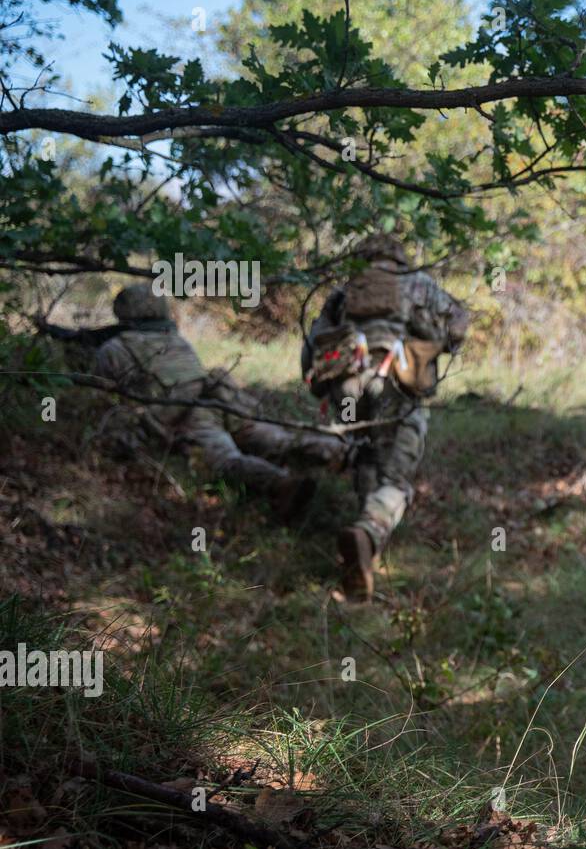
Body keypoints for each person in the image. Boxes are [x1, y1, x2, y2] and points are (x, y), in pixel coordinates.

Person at [42, 284, 340, 521]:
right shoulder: (176, 340)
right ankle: (340, 452)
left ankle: (282, 484)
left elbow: (100, 395)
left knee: (225, 459)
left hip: (187, 417)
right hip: (220, 403)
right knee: (275, 438)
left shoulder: (115, 348)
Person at [302, 234, 469, 602]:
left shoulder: (345, 291)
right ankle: (369, 531)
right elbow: (458, 326)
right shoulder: (421, 284)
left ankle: (362, 557)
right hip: (398, 383)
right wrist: (437, 341)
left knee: (365, 456)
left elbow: (313, 347)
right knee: (396, 475)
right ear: (399, 256)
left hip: (349, 385)